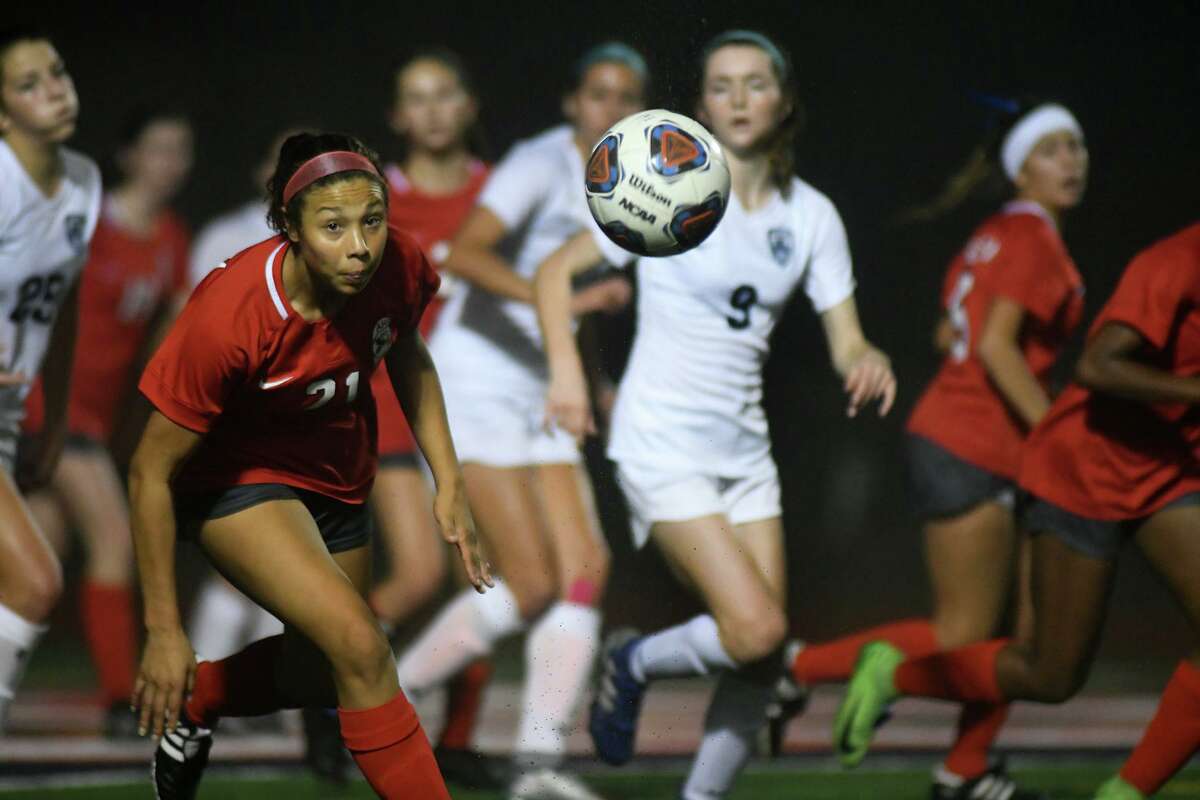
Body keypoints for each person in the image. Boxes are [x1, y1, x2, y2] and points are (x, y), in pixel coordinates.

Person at [535, 30, 895, 800]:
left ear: (785, 100)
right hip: (660, 442)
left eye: (755, 84)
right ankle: (631, 663)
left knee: (758, 659)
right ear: (699, 107)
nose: (737, 99)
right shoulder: (669, 189)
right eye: (721, 86)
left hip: (744, 453)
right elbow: (551, 275)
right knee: (759, 631)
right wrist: (567, 374)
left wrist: (869, 357)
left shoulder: (811, 216)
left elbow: (848, 338)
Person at [130, 131, 490, 800]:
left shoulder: (396, 265)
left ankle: (199, 700)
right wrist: (162, 628)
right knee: (361, 644)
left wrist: (450, 481)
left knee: (320, 670)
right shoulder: (231, 314)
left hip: (338, 476)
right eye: (333, 226)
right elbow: (149, 472)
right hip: (237, 481)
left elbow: (407, 355)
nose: (359, 245)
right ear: (289, 228)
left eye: (372, 221)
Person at [779, 99, 1087, 798]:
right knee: (968, 632)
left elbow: (951, 334)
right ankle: (800, 668)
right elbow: (995, 348)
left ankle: (965, 771)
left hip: (967, 436)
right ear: (1019, 169)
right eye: (1053, 149)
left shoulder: (997, 233)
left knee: (1014, 634)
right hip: (976, 442)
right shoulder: (1034, 239)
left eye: (1076, 147)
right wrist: (1063, 438)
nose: (1072, 161)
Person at [834, 221, 1200, 800]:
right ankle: (893, 675)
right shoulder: (1176, 260)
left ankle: (1123, 792)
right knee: (1048, 673)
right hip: (1085, 468)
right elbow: (1096, 364)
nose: (1070, 162)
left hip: (1166, 470)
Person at [392, 41, 642, 799]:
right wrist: (563, 305)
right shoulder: (540, 162)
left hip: (547, 381)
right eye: (598, 93)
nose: (611, 108)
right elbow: (465, 254)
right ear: (572, 103)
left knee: (581, 573)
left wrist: (592, 375)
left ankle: (536, 765)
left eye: (627, 96)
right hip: (477, 379)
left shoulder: (635, 183)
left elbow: (567, 295)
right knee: (531, 582)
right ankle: (384, 703)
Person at [21, 105, 194, 737]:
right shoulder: (85, 219)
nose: (169, 163)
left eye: (180, 150)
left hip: (96, 416)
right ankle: (124, 699)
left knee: (36, 564)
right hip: (49, 403)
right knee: (116, 541)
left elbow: (166, 340)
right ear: (128, 156)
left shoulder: (172, 236)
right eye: (158, 148)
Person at [367, 48, 495, 781]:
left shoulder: (500, 191)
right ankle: (337, 691)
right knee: (417, 578)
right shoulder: (375, 195)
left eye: (446, 93)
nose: (434, 109)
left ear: (468, 104)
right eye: (417, 98)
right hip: (392, 407)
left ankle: (460, 739)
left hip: (479, 412)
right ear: (397, 116)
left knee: (479, 577)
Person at [0, 26, 101, 733]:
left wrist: (56, 413)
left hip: (10, 419)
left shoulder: (85, 183)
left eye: (57, 72)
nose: (54, 90)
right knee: (36, 583)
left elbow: (60, 311)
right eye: (29, 83)